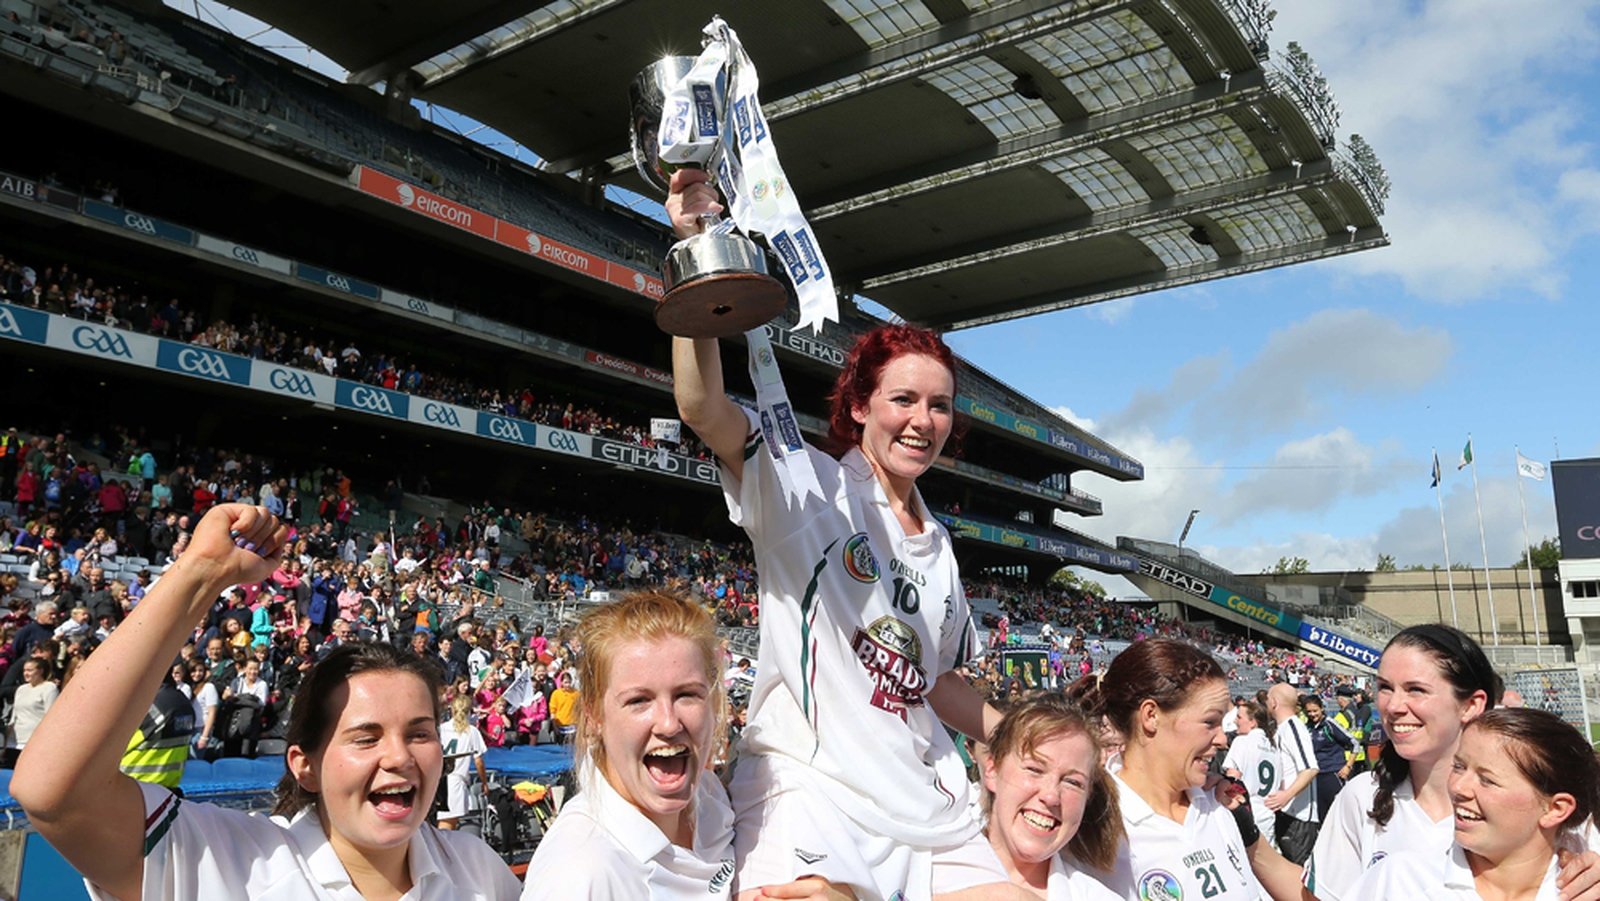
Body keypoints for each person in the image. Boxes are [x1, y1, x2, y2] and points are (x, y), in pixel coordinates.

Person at [671, 168, 1019, 900]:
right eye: (904, 399)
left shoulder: (940, 547)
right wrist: (696, 251)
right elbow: (703, 408)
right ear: (859, 406)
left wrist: (1020, 735)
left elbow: (937, 682)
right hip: (811, 794)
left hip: (927, 806)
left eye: (940, 405)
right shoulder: (808, 489)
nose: (923, 420)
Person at [12, 503, 520, 900]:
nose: (400, 756)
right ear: (304, 765)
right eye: (366, 737)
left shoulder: (477, 871)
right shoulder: (226, 862)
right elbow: (55, 792)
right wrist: (200, 573)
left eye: (419, 732)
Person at [1305, 623, 1600, 901]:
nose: (1393, 706)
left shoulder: (1546, 800)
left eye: (1416, 689)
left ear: (1471, 704)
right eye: (1384, 687)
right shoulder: (1364, 799)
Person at [523, 591, 770, 898]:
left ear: (714, 701)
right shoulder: (579, 875)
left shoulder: (711, 796)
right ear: (594, 716)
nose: (669, 723)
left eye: (687, 695)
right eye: (638, 700)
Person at [1071, 638, 1301, 899]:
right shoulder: (1096, 829)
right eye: (1210, 722)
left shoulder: (1219, 804)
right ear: (1151, 716)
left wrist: (1247, 830)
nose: (1222, 739)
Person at [1348, 708, 1600, 898]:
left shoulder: (1585, 890)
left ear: (1556, 809)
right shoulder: (1400, 881)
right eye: (1459, 766)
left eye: (1487, 780)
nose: (1458, 787)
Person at [978, 692, 1123, 899]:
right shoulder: (933, 869)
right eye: (1035, 770)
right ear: (992, 770)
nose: (1051, 796)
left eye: (1072, 782)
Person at [1265, 682, 1319, 864]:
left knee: (1298, 871)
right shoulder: (1281, 729)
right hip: (1286, 812)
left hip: (1299, 818)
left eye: (1268, 699)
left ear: (1274, 702)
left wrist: (1286, 796)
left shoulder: (1293, 727)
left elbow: (1310, 768)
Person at [1221, 699, 1276, 850]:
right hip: (1267, 815)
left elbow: (1233, 777)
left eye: (1239, 717)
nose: (1235, 721)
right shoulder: (1273, 747)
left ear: (1252, 722)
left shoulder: (1242, 741)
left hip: (1247, 814)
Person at [437, 694, 487, 831]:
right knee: (448, 826)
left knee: (438, 825)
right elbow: (478, 761)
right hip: (455, 780)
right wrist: (484, 782)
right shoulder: (471, 731)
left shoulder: (441, 728)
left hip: (438, 780)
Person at [1300, 694, 1354, 822]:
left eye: (1315, 710)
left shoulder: (1330, 724)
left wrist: (1348, 766)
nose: (1312, 714)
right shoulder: (1306, 727)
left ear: (1322, 709)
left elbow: (1354, 743)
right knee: (1321, 815)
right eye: (1309, 711)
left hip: (1333, 773)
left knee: (1339, 813)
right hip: (1315, 776)